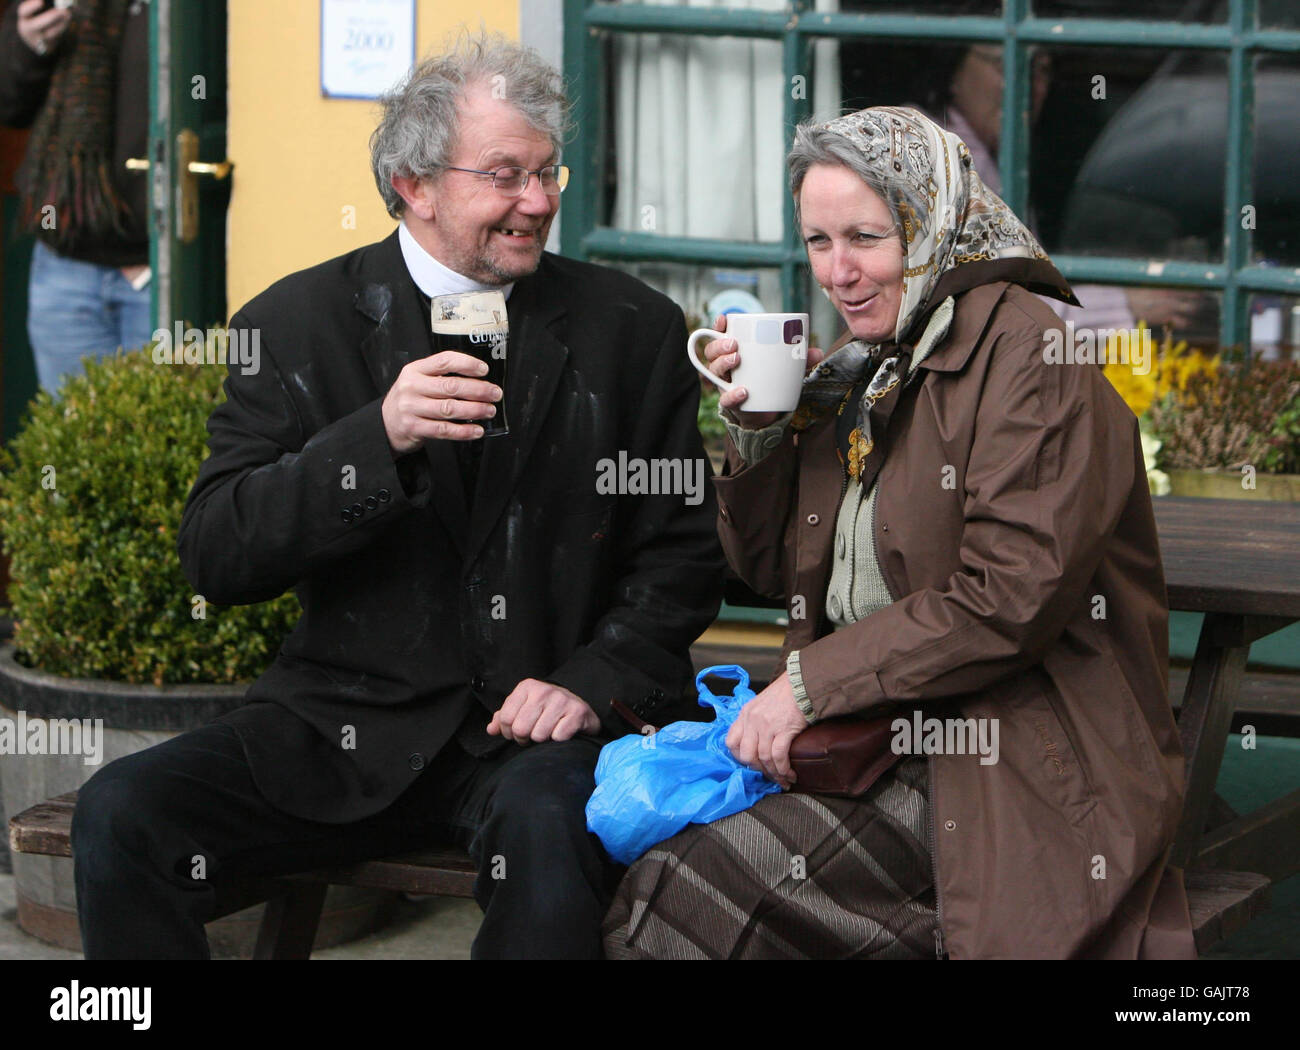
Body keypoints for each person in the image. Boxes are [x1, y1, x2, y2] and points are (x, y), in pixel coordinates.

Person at [70, 32, 724, 960]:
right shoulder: (294, 325)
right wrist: (371, 442)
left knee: (549, 842)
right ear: (412, 183)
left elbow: (682, 557)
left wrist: (590, 684)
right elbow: (217, 551)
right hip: (338, 729)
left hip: (534, 737)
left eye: (548, 175)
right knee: (120, 814)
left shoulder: (635, 330)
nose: (536, 203)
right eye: (504, 176)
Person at [604, 106, 1196, 960]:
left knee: (683, 887)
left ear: (931, 225)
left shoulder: (1030, 359)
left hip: (1014, 761)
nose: (839, 272)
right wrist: (766, 428)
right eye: (817, 242)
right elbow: (770, 570)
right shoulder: (876, 360)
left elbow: (1006, 601)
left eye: (867, 238)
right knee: (648, 872)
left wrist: (807, 687)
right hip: (877, 738)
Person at [0, 0, 153, 394]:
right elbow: (8, 103)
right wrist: (28, 42)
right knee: (71, 439)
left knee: (161, 443)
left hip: (160, 267)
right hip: (65, 266)